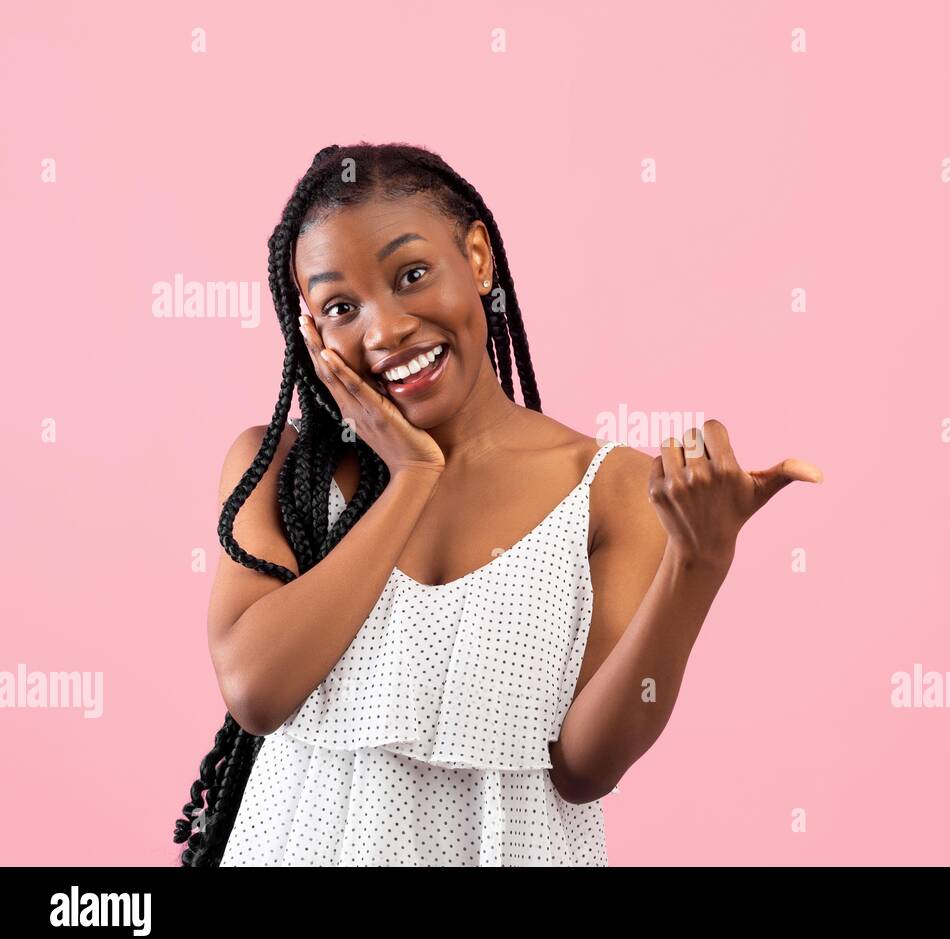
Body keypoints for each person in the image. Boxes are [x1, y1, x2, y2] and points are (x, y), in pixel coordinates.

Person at [172, 141, 822, 866]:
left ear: (477, 258)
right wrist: (412, 476)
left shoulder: (607, 490)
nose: (384, 330)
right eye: (341, 306)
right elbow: (258, 691)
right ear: (314, 334)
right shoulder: (279, 470)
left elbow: (586, 768)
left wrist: (698, 563)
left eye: (412, 274)